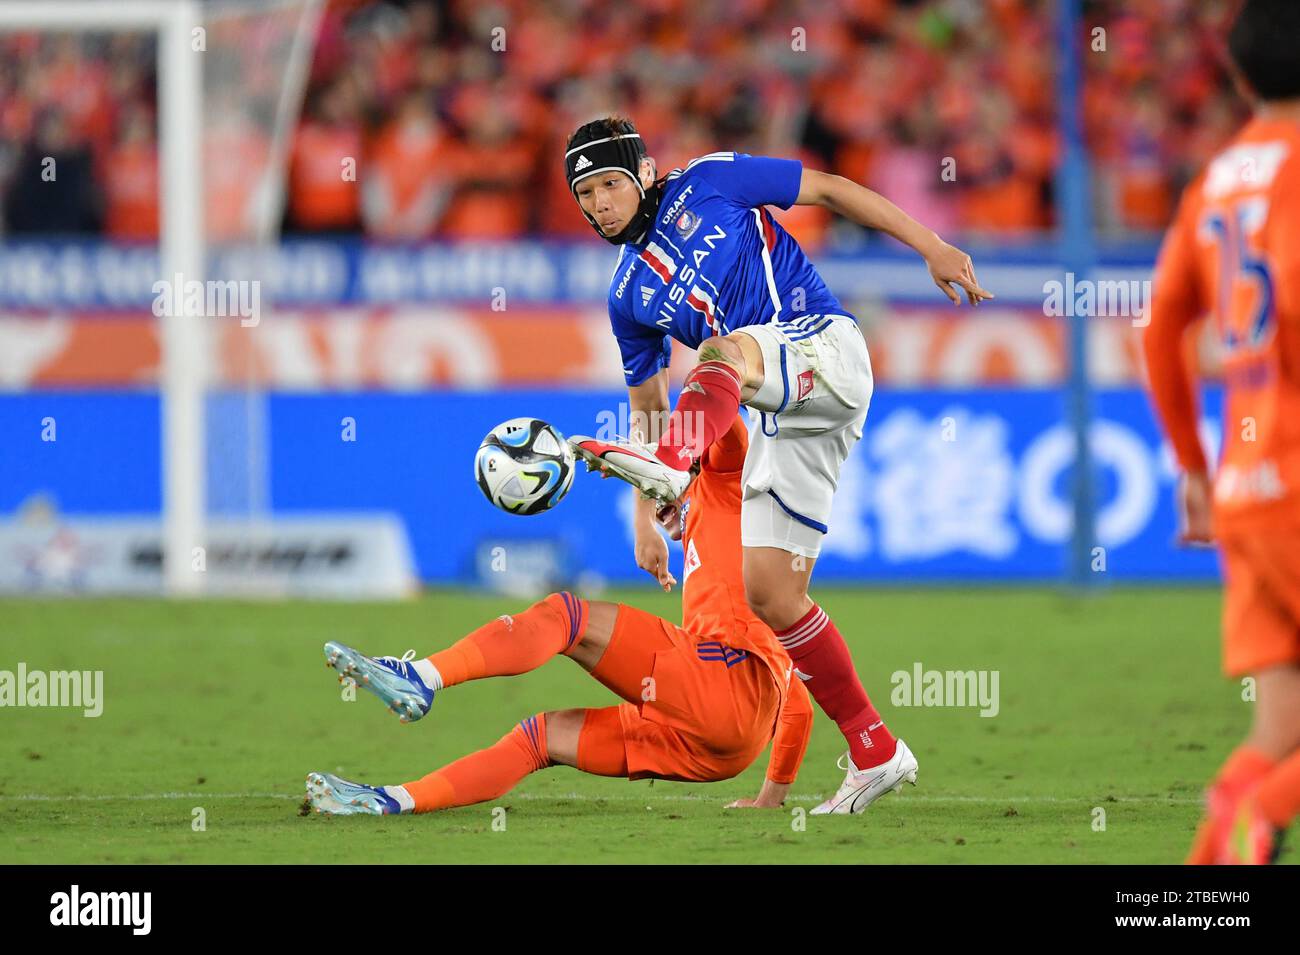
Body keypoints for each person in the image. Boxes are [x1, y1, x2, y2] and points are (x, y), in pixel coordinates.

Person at [562, 116, 989, 809]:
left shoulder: (710, 180)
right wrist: (645, 515)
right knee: (771, 594)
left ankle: (679, 471)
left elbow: (829, 189)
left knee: (722, 352)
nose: (600, 203)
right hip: (779, 416)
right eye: (586, 194)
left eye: (610, 183)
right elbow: (647, 404)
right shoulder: (627, 296)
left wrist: (931, 246)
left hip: (822, 346)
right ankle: (875, 749)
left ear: (642, 173)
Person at [305, 418, 832, 815]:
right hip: (729, 747)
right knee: (540, 737)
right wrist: (770, 798)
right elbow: (800, 707)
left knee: (566, 616)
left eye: (662, 491)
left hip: (724, 685)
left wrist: (598, 447)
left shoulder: (729, 479)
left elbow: (716, 417)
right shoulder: (735, 561)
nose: (659, 504)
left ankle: (421, 677)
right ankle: (391, 801)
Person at [1142, 0, 1300, 864]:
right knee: (1278, 770)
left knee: (1281, 724)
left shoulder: (1217, 179)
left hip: (1246, 484)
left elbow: (1160, 327)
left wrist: (1194, 468)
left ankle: (1201, 894)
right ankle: (1265, 815)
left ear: (1238, 78)